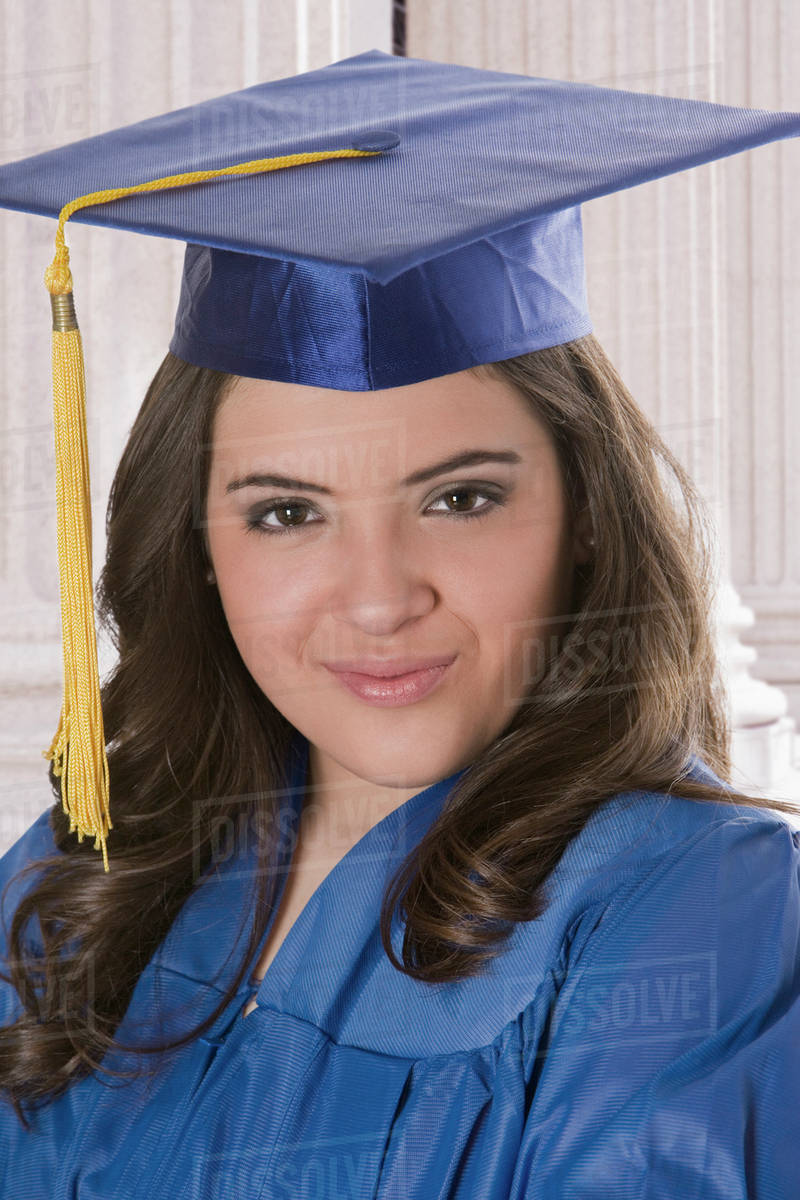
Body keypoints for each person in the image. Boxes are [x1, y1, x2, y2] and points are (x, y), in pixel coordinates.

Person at [0, 47, 799, 1199]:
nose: (378, 598)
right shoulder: (98, 865)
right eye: (286, 513)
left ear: (584, 513)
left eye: (459, 499)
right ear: (199, 548)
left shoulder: (691, 902)